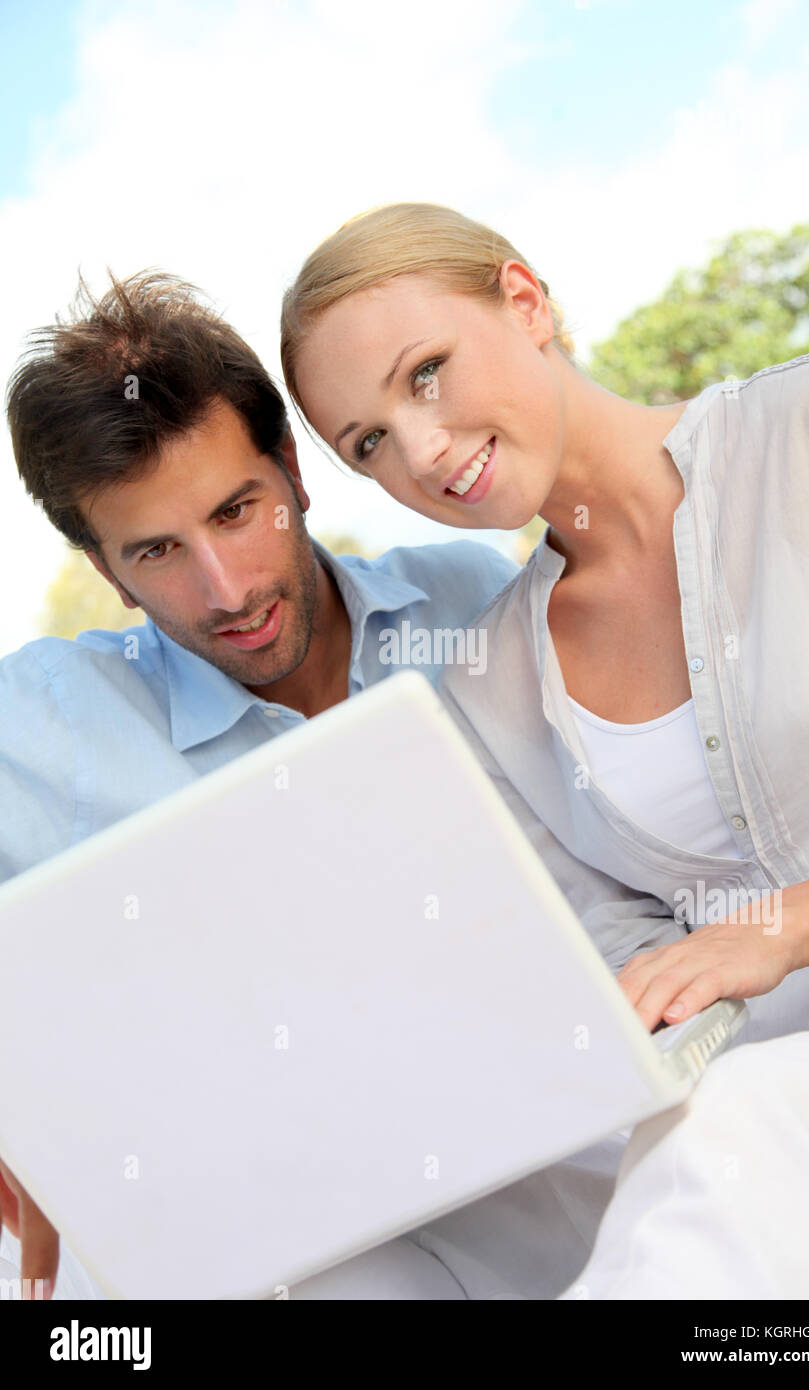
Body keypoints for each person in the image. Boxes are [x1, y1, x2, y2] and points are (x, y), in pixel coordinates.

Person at [276, 201, 809, 1297]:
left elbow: (742, 960)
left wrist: (785, 927)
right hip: (736, 1103)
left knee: (732, 1142)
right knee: (341, 1257)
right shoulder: (487, 680)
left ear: (525, 300)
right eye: (365, 442)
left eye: (425, 374)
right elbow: (618, 969)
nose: (419, 449)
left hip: (770, 1122)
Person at [0, 270, 531, 1300]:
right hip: (285, 1232)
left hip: (527, 1152)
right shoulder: (44, 722)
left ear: (291, 468)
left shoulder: (472, 601)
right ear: (106, 569)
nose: (226, 589)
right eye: (156, 550)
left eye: (237, 510)